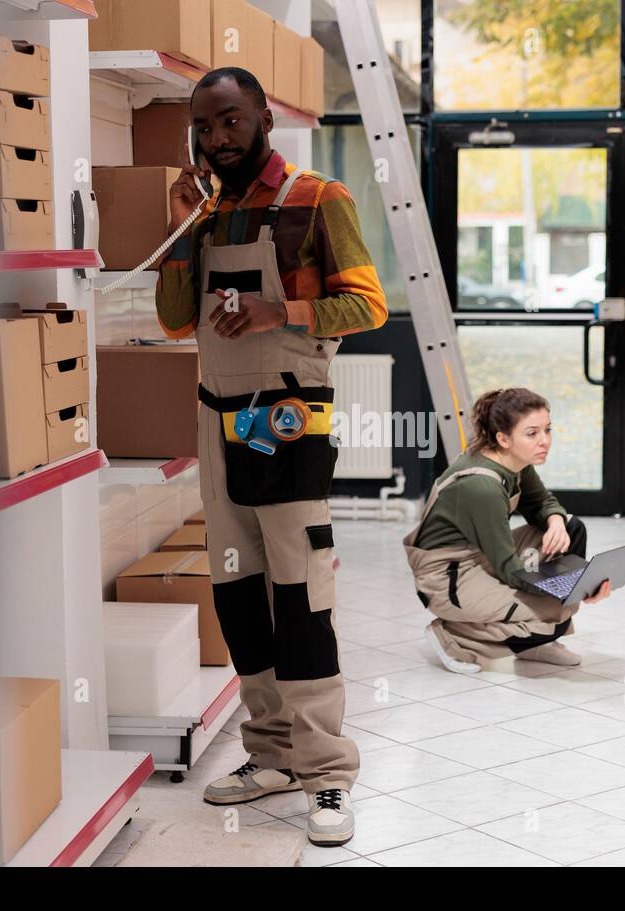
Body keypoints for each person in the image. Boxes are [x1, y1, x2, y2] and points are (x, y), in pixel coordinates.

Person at [154, 67, 387, 847]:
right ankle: (272, 754)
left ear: (261, 117)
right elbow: (174, 319)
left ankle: (326, 776)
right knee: (238, 594)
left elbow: (368, 304)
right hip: (217, 422)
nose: (217, 140)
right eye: (204, 128)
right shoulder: (210, 212)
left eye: (229, 122)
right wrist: (184, 229)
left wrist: (274, 310)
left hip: (284, 418)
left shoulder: (319, 200)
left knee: (301, 596)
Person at [403, 388, 611, 673]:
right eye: (532, 433)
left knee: (571, 529)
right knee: (555, 614)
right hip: (446, 575)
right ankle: (454, 636)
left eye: (548, 430)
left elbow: (542, 502)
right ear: (503, 438)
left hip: (479, 553)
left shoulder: (515, 461)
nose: (545, 441)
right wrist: (574, 586)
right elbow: (509, 569)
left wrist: (556, 522)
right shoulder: (482, 487)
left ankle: (536, 644)